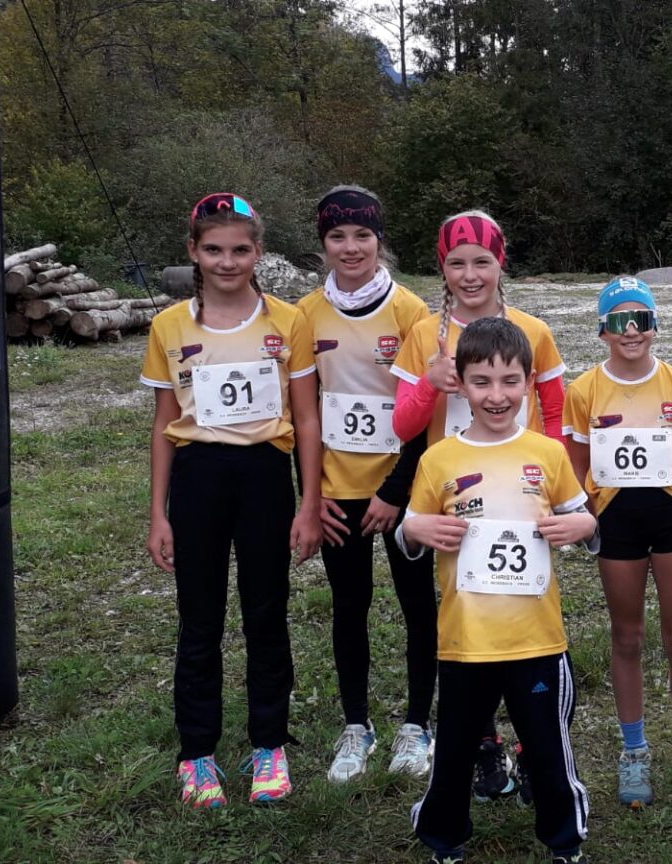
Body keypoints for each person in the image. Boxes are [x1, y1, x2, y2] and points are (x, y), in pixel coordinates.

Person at [141, 193, 322, 807]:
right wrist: (158, 513)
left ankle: (269, 743)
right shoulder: (169, 326)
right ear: (193, 251)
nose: (227, 261)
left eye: (240, 249)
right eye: (214, 249)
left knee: (266, 612)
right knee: (200, 618)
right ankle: (197, 753)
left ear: (258, 253)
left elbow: (307, 417)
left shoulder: (289, 321)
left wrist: (309, 503)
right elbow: (163, 424)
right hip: (199, 474)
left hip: (265, 474)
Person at [398, 317, 595, 864]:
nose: (497, 395)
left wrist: (583, 526)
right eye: (481, 381)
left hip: (537, 640)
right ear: (460, 383)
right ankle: (444, 838)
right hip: (465, 641)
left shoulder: (547, 453)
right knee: (454, 750)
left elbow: (582, 517)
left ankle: (564, 841)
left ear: (529, 383)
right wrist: (415, 530)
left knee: (549, 750)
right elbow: (410, 528)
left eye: (510, 381)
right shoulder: (439, 459)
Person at [390, 209, 568, 799]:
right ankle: (485, 744)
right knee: (468, 617)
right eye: (456, 263)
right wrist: (430, 383)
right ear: (441, 268)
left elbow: (555, 412)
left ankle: (535, 743)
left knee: (524, 611)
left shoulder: (532, 331)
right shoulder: (425, 334)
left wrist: (559, 487)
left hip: (522, 495)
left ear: (501, 262)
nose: (470, 275)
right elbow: (403, 425)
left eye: (482, 262)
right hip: (455, 502)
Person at [296, 186, 438, 782]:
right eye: (337, 236)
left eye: (362, 235)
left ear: (380, 240)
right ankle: (356, 725)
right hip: (339, 491)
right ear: (323, 243)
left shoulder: (411, 311)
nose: (350, 247)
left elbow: (422, 413)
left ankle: (417, 725)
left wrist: (396, 492)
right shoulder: (306, 314)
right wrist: (312, 497)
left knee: (417, 605)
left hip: (403, 488)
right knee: (349, 606)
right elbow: (303, 414)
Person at [562, 277, 672, 809]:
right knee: (626, 637)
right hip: (617, 523)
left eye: (641, 320)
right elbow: (576, 466)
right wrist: (591, 516)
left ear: (654, 326)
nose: (631, 331)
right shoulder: (583, 391)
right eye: (620, 321)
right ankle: (634, 751)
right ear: (602, 330)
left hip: (671, 521)